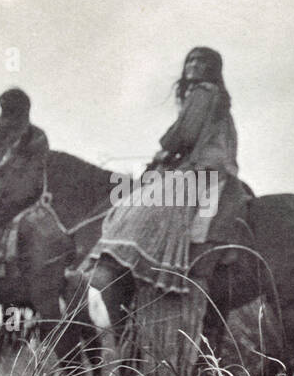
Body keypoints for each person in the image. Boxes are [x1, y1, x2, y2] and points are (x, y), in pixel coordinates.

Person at [90, 45, 240, 294]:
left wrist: (166, 150)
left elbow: (186, 133)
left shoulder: (203, 92)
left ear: (211, 69)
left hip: (205, 165)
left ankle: (151, 261)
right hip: (206, 163)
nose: (193, 65)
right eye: (190, 60)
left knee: (151, 201)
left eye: (201, 61)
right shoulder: (213, 96)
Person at [0, 88, 49, 258]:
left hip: (17, 191)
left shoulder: (6, 131)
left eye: (7, 111)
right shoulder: (37, 135)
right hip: (23, 191)